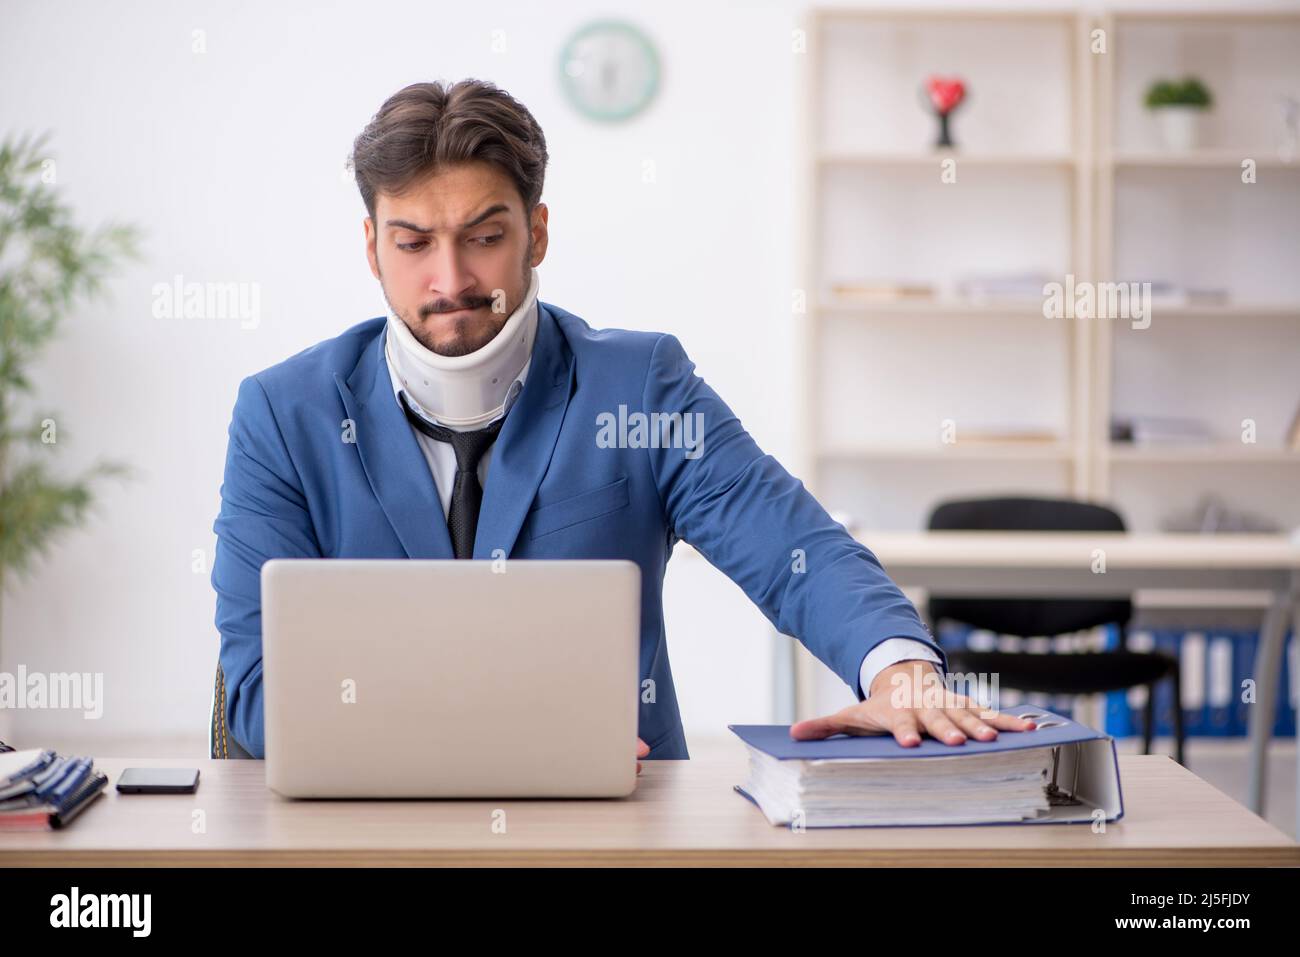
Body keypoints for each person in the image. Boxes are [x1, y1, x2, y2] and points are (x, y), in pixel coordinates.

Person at [212, 79, 1034, 760]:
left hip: (617, 824)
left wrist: (898, 670)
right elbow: (257, 700)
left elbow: (794, 546)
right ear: (371, 248)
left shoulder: (637, 387)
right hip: (366, 837)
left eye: (484, 236)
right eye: (414, 242)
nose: (449, 278)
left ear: (536, 233)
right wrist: (498, 739)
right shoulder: (286, 414)